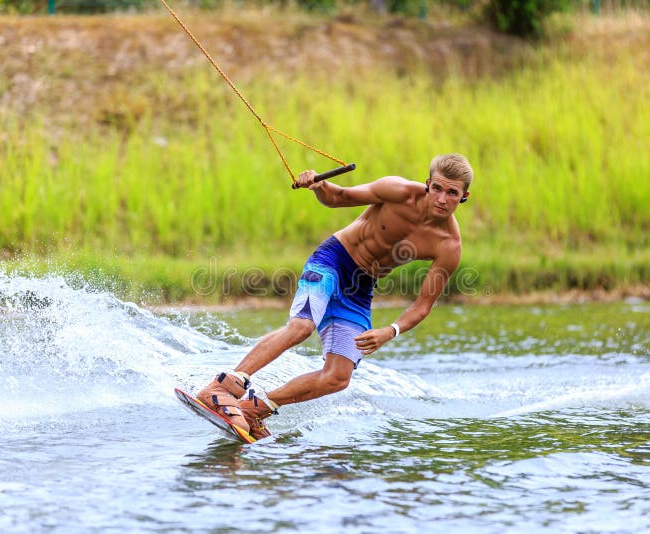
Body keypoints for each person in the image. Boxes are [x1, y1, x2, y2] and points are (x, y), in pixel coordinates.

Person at [197, 153, 473, 439]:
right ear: (428, 184)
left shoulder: (449, 246)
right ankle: (224, 386)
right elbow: (338, 197)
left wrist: (390, 331)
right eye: (437, 188)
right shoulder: (398, 191)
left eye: (452, 193)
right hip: (333, 260)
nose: (442, 199)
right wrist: (319, 186)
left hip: (360, 288)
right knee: (303, 326)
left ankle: (254, 410)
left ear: (463, 196)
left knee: (338, 378)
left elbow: (423, 305)